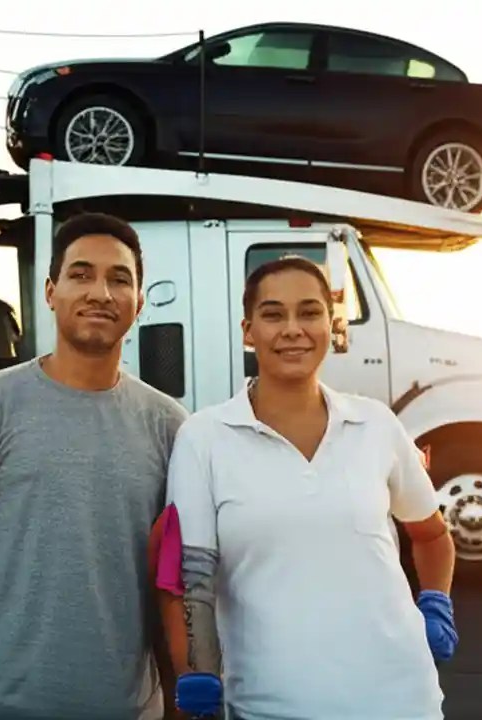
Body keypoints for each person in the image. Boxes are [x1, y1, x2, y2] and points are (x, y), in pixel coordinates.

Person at [0, 211, 190, 720]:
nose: (100, 293)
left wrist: (176, 704)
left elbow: (171, 582)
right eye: (81, 274)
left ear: (140, 303)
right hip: (1, 706)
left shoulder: (170, 425)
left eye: (119, 279)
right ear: (50, 291)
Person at [153, 255, 459, 719]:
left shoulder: (376, 424)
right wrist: (197, 670)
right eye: (273, 314)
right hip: (268, 704)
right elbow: (189, 577)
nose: (292, 328)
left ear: (331, 325)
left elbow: (432, 536)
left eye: (310, 312)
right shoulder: (205, 436)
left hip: (401, 699)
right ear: (247, 330)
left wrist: (436, 603)